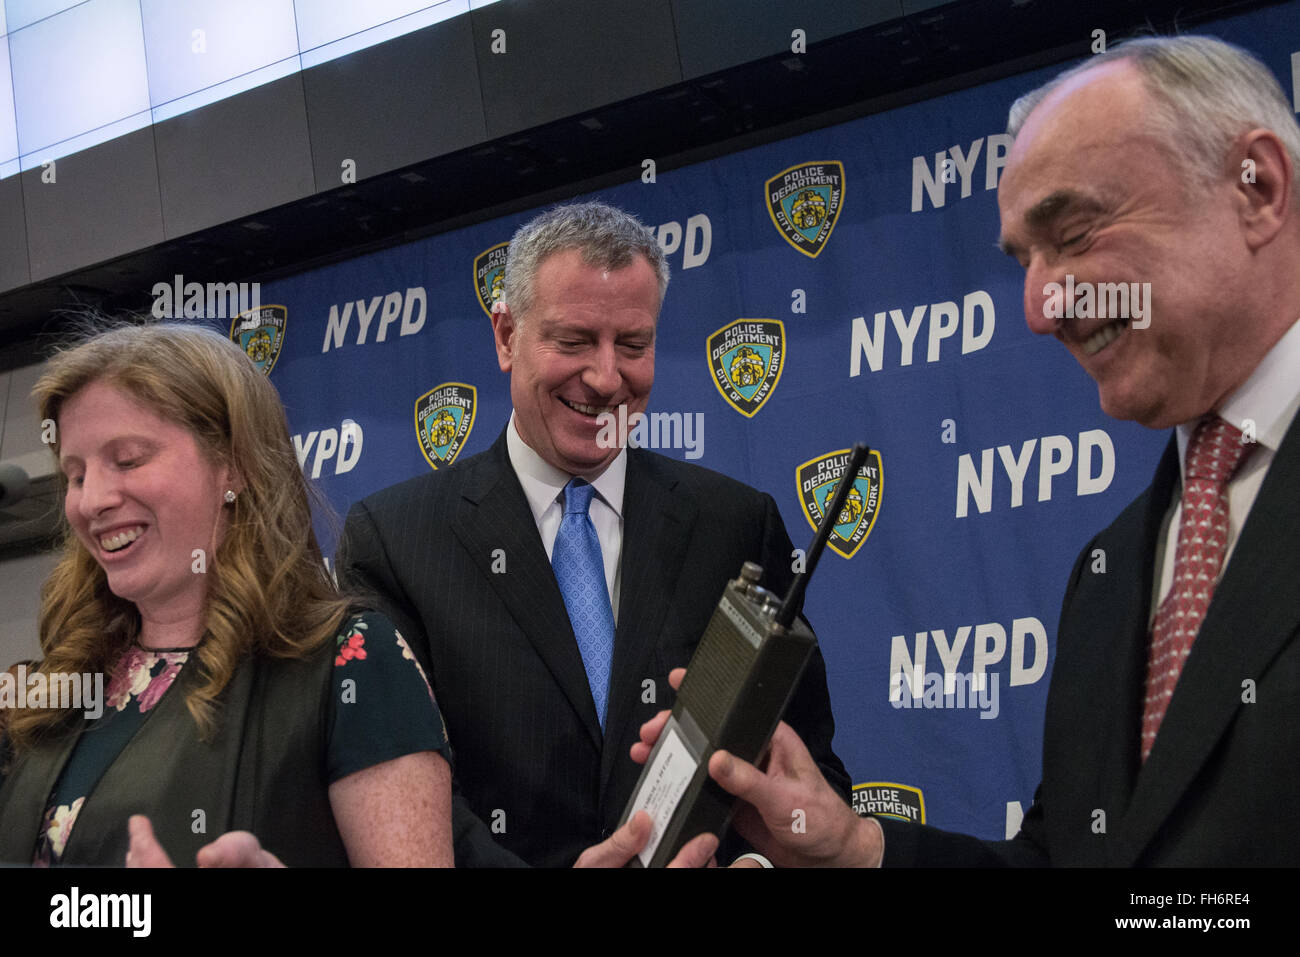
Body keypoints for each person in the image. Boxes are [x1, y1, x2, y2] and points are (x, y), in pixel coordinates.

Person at [627, 34, 1300, 867]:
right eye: (1024, 259)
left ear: (1257, 189)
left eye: (1078, 232)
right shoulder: (1111, 573)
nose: (1040, 307)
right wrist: (854, 847)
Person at [339, 201, 850, 867]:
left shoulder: (736, 523)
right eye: (574, 341)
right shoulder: (395, 542)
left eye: (633, 345)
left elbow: (811, 776)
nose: (608, 379)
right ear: (505, 336)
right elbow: (399, 805)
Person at [0, 323, 453, 867]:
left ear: (233, 464)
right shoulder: (60, 685)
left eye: (128, 460)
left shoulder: (350, 664)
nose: (91, 499)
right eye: (75, 475)